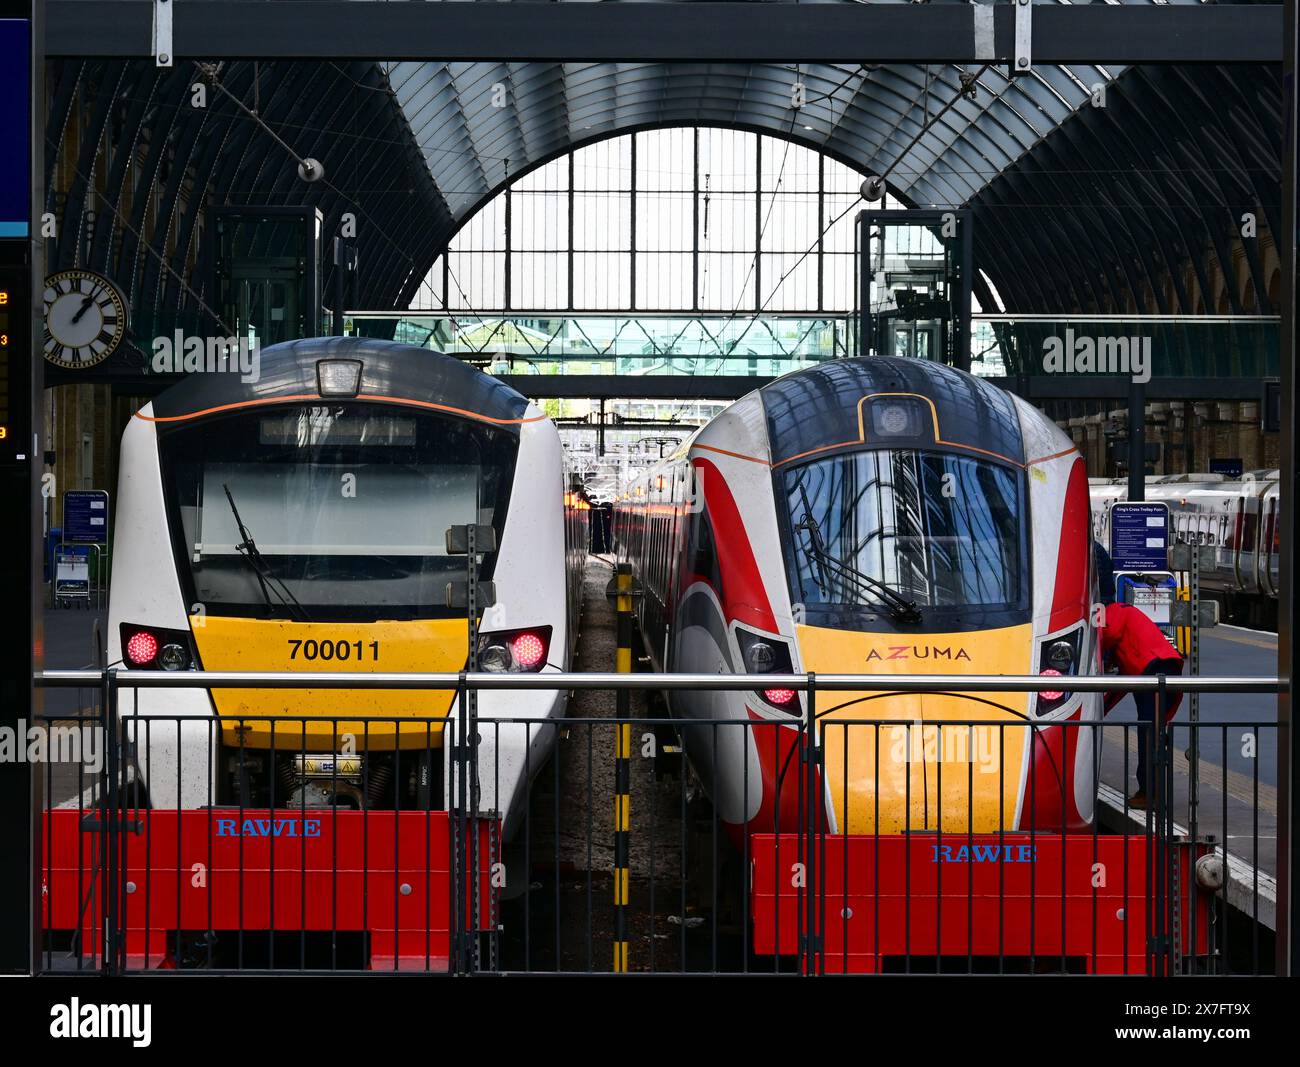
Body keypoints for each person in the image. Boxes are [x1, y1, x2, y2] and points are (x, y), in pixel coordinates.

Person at [1099, 601, 1183, 808]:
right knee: (1151, 733)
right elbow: (1121, 685)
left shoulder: (1115, 610)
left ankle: (1151, 794)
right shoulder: (1130, 647)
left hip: (1156, 670)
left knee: (1150, 735)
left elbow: (1106, 635)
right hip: (1157, 669)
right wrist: (1099, 709)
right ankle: (1148, 791)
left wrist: (1099, 652)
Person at [1093, 539, 1116, 605]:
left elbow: (1098, 575)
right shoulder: (1095, 546)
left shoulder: (1093, 548)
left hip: (1102, 595)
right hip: (1104, 593)